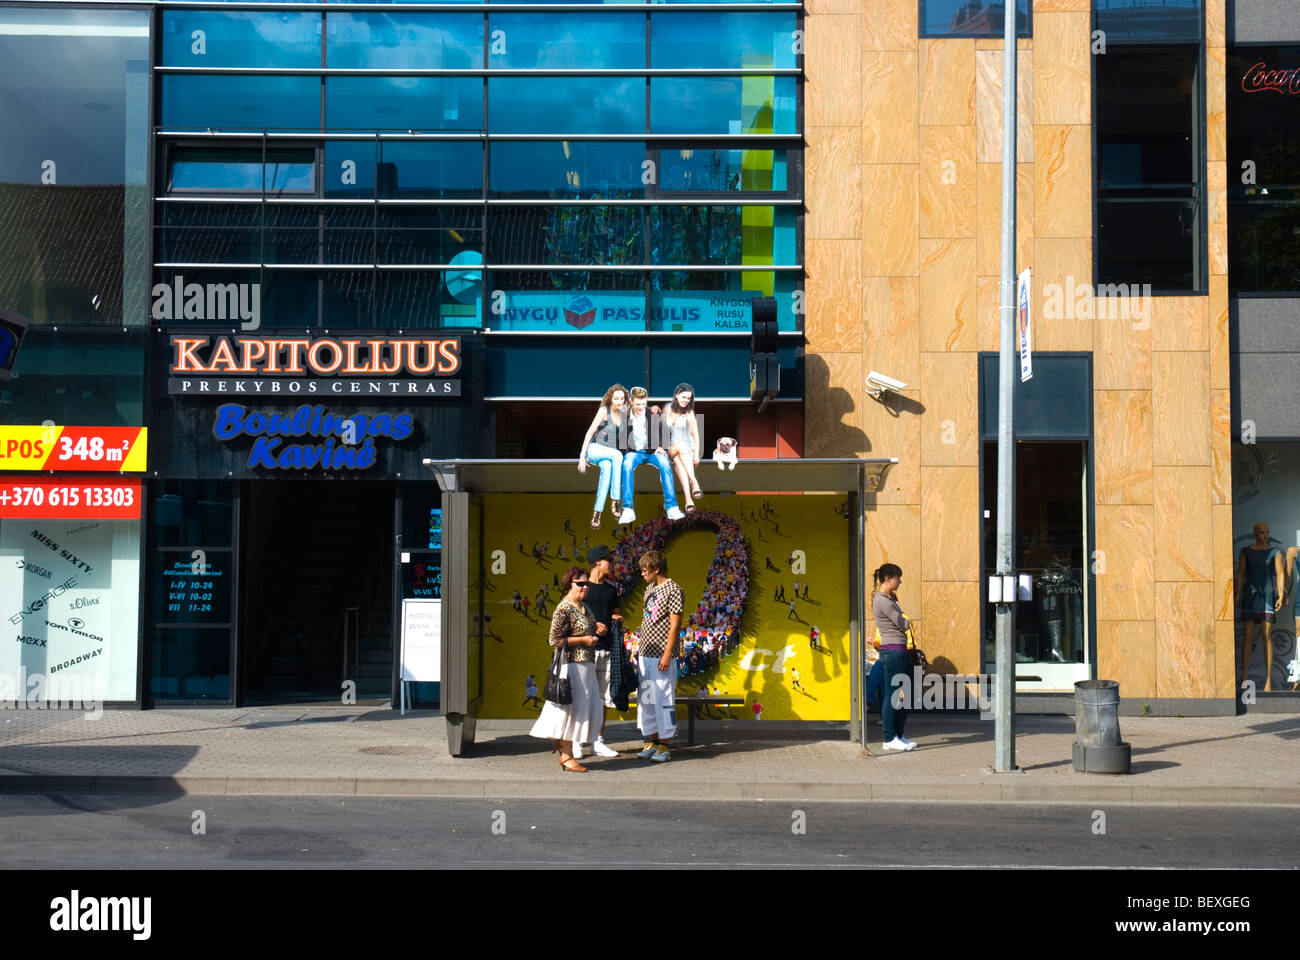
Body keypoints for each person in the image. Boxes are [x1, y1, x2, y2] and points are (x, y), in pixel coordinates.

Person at [529, 565, 605, 772]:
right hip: (571, 666)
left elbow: (584, 625)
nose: (585, 587)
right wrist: (583, 639)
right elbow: (554, 640)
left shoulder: (583, 606)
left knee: (578, 709)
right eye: (580, 583)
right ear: (569, 584)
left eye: (586, 583)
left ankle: (565, 750)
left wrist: (597, 626)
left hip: (585, 665)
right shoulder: (563, 608)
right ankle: (566, 754)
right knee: (570, 711)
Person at [571, 544, 622, 759]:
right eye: (609, 560)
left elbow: (617, 614)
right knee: (580, 696)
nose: (613, 564)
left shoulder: (611, 590)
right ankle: (575, 741)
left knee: (602, 698)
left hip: (607, 649)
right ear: (597, 563)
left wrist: (617, 620)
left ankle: (598, 741)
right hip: (584, 651)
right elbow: (570, 617)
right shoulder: (582, 588)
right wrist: (593, 626)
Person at [634, 549, 684, 763]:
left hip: (662, 656)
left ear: (656, 569)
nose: (643, 574)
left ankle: (665, 745)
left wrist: (667, 654)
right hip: (645, 655)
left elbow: (675, 626)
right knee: (647, 699)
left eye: (646, 570)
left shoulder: (674, 589)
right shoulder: (649, 589)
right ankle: (652, 741)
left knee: (663, 700)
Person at [618, 387, 685, 524]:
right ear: (631, 401)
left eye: (644, 404)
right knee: (626, 464)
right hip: (633, 453)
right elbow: (619, 438)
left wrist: (660, 446)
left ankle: (672, 507)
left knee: (665, 463)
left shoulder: (652, 414)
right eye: (638, 404)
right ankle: (628, 509)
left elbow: (665, 433)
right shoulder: (624, 416)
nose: (642, 407)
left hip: (652, 452)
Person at [873, 562, 916, 752]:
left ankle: (898, 734)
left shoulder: (891, 598)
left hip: (899, 650)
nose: (900, 581)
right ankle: (889, 738)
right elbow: (903, 624)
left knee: (906, 694)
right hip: (892, 652)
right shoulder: (882, 600)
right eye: (897, 577)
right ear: (888, 579)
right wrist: (906, 619)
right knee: (892, 695)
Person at [578, 384, 628, 529]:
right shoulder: (604, 411)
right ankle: (615, 500)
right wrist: (582, 456)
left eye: (622, 399)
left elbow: (640, 409)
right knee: (618, 455)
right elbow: (590, 432)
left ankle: (597, 512)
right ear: (610, 399)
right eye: (616, 398)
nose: (619, 401)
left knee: (607, 467)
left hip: (609, 455)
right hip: (595, 449)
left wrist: (654, 409)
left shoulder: (624, 412)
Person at [664, 382, 703, 513]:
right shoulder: (667, 409)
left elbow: (695, 435)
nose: (686, 400)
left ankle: (688, 500)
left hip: (687, 452)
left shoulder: (689, 413)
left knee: (678, 461)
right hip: (671, 448)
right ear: (676, 395)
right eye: (683, 397)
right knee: (679, 447)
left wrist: (696, 455)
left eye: (688, 398)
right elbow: (659, 429)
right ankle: (694, 481)